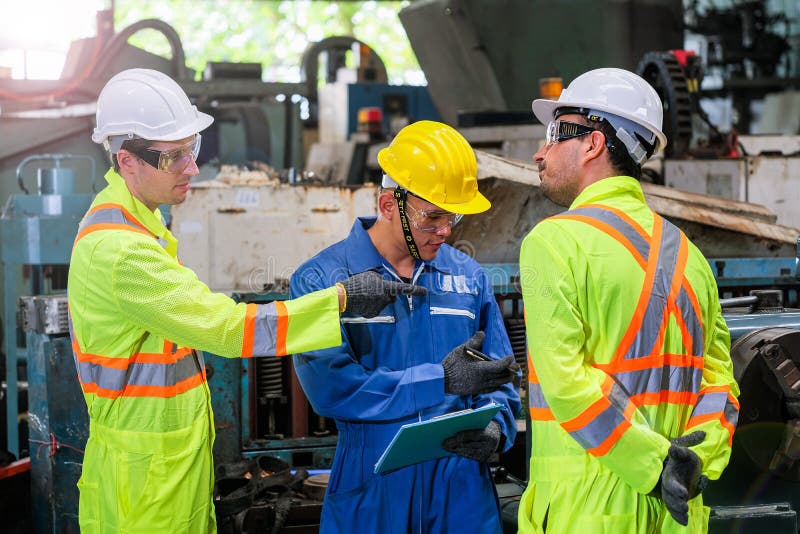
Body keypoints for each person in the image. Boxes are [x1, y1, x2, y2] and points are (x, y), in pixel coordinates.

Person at [68, 68, 425, 534]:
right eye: (175, 156)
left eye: (192, 149)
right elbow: (228, 329)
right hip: (144, 487)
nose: (192, 167)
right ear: (127, 160)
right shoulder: (121, 251)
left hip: (162, 470)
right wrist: (340, 300)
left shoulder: (141, 227)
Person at [517, 67, 740, 533]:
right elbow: (721, 384)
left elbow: (566, 383)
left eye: (554, 135)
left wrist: (655, 466)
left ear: (593, 144)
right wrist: (693, 463)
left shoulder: (553, 242)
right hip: (679, 514)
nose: (540, 152)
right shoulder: (690, 256)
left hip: (589, 511)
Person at [290, 120, 522, 533]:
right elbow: (332, 389)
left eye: (452, 217)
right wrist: (442, 381)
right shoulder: (322, 281)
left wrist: (497, 428)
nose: (446, 231)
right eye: (431, 218)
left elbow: (499, 374)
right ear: (387, 206)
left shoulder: (468, 276)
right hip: (373, 485)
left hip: (462, 490)